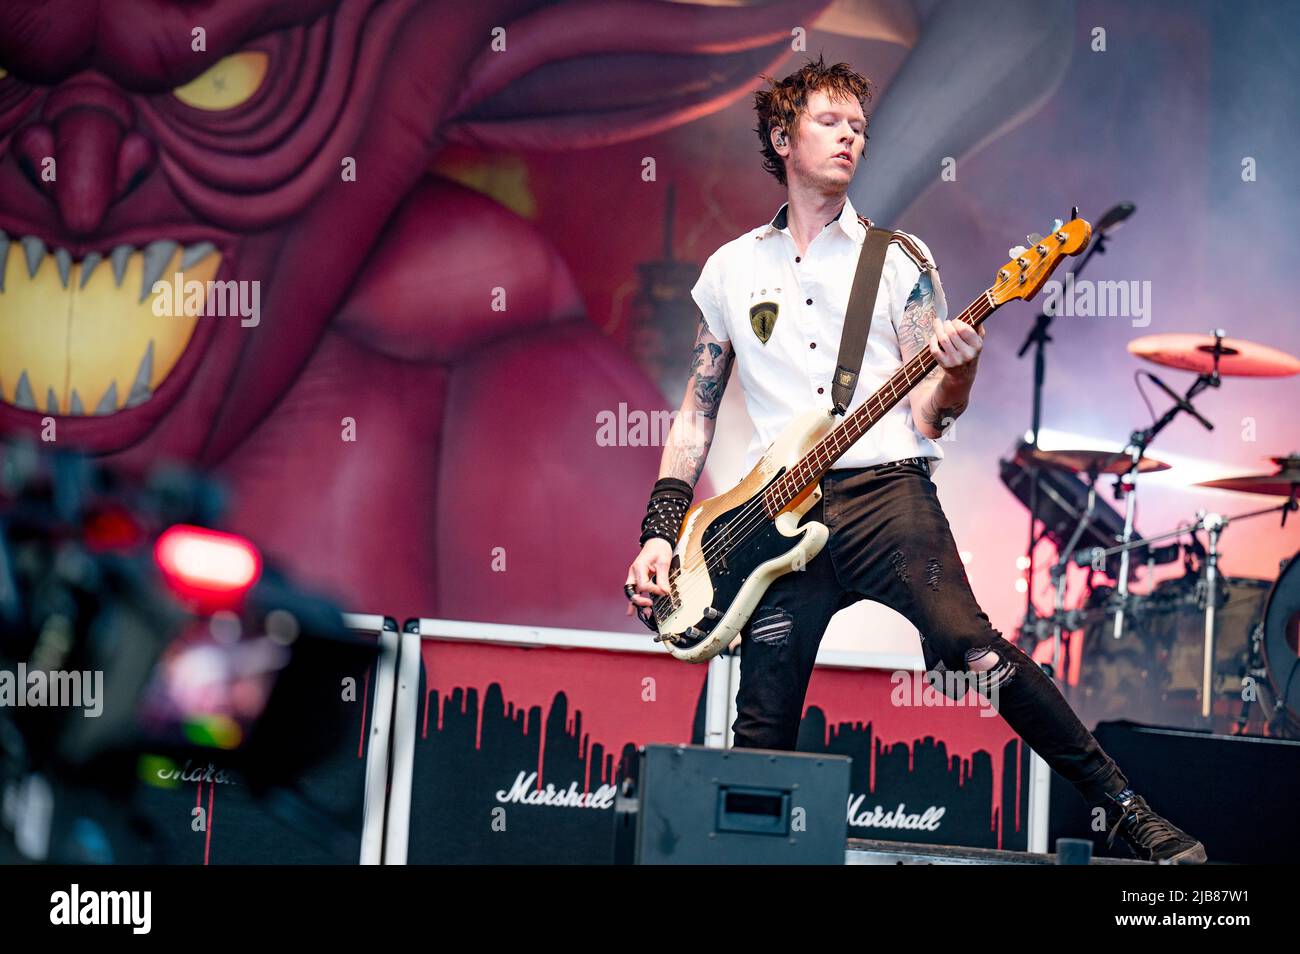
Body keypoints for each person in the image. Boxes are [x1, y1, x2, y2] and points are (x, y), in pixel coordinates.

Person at [623, 55, 1205, 864]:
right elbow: (698, 406)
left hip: (884, 495)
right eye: (831, 121)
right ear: (781, 136)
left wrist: (958, 369)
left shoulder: (897, 260)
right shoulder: (730, 269)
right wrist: (661, 528)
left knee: (972, 647)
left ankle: (1133, 813)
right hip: (772, 515)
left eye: (860, 126)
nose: (851, 136)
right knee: (761, 715)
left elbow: (933, 412)